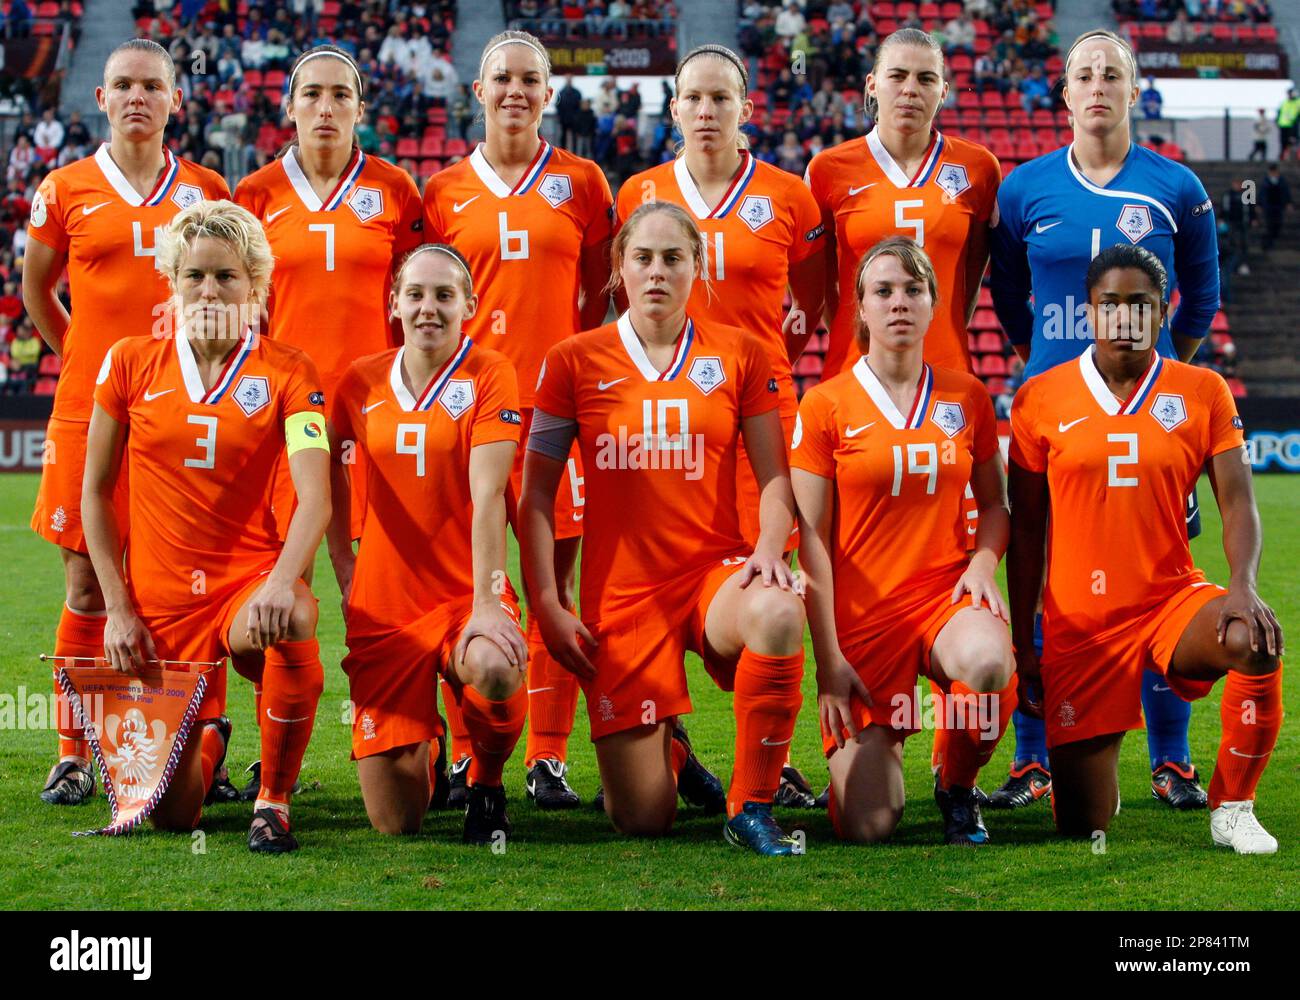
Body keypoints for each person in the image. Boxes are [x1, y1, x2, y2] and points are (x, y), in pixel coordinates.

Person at [521, 201, 807, 855]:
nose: (657, 273)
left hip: (712, 577)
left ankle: (751, 806)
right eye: (642, 258)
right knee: (642, 818)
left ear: (698, 268)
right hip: (621, 600)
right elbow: (536, 498)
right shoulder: (572, 360)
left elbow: (774, 479)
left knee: (779, 611)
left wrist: (768, 549)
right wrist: (546, 602)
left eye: (673, 258)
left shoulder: (741, 354)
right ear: (618, 268)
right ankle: (672, 758)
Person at [989, 29, 1221, 811]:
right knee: (1046, 580)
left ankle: (1173, 759)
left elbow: (1202, 294)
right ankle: (1032, 758)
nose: (1096, 87)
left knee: (1159, 582)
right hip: (1055, 422)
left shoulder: (1177, 187)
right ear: (1064, 94)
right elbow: (1011, 298)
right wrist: (1049, 364)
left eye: (1110, 75)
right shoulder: (1022, 190)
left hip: (1149, 420)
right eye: (1082, 75)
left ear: (1133, 89)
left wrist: (1162, 382)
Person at [1008, 245, 1283, 854]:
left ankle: (1233, 806)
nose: (1125, 317)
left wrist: (1242, 586)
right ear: (1090, 313)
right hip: (1080, 622)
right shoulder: (1039, 397)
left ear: (1163, 314)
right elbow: (1025, 528)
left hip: (1170, 601)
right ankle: (1087, 771)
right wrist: (1026, 636)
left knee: (1253, 638)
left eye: (1141, 305)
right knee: (1085, 824)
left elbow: (1237, 501)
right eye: (1111, 304)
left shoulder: (1203, 390)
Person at [81, 199, 330, 853]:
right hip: (157, 611)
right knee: (173, 816)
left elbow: (314, 495)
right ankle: (211, 736)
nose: (210, 290)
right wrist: (117, 608)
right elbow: (95, 494)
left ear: (255, 283)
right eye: (194, 275)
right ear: (172, 280)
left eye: (226, 276)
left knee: (296, 616)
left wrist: (281, 583)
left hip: (244, 590)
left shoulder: (290, 371)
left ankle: (273, 799)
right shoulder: (128, 362)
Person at [615, 43, 826, 807]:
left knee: (762, 587)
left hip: (757, 423)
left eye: (721, 99)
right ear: (673, 110)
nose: (707, 112)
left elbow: (809, 302)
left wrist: (759, 376)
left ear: (746, 108)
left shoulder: (789, 197)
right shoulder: (638, 192)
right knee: (657, 587)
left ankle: (760, 769)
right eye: (693, 99)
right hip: (661, 428)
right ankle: (669, 748)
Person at [22, 38, 230, 808]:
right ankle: (73, 753)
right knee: (84, 586)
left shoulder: (207, 190)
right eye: (123, 86)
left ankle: (205, 740)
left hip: (182, 416)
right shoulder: (64, 187)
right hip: (87, 413)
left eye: (152, 85)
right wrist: (85, 360)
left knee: (189, 582)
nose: (137, 96)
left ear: (176, 99)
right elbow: (37, 291)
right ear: (100, 100)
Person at [423, 30, 613, 811]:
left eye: (530, 79)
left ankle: (547, 756)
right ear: (477, 91)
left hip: (551, 419)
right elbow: (420, 307)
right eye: (501, 78)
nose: (515, 90)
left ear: (547, 93)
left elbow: (601, 294)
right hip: (463, 419)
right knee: (464, 580)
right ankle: (469, 751)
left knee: (552, 588)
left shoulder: (585, 182)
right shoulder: (438, 193)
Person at [232, 43, 423, 796]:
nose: (325, 107)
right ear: (289, 105)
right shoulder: (255, 193)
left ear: (360, 107)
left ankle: (401, 742)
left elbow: (425, 302)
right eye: (311, 93)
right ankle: (270, 755)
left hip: (376, 423)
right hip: (287, 425)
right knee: (281, 587)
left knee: (377, 592)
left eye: (340, 94)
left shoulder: (397, 189)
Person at [792, 237, 1014, 845]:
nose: (899, 303)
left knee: (989, 664)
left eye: (913, 290)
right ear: (859, 308)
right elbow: (809, 540)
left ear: (935, 303)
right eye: (883, 291)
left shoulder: (967, 396)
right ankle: (872, 746)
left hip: (945, 597)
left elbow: (996, 504)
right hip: (863, 620)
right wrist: (829, 663)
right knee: (868, 825)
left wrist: (984, 564)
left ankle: (957, 784)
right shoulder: (824, 404)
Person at [328, 245, 529, 843]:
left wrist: (488, 604)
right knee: (397, 824)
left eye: (444, 296)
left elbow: (490, 494)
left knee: (494, 666)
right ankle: (429, 740)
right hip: (385, 608)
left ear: (469, 304)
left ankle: (486, 784)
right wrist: (346, 572)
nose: (428, 309)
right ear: (394, 303)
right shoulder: (359, 381)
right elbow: (326, 472)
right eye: (415, 295)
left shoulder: (491, 373)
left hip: (463, 597)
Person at [807, 28, 1001, 380]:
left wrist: (945, 325)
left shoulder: (979, 168)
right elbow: (817, 281)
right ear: (871, 84)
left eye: (926, 79)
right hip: (854, 368)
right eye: (897, 75)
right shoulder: (827, 169)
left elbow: (972, 272)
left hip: (946, 367)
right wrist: (856, 328)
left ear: (943, 91)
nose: (910, 89)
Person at [1259, 162, 1291, 251]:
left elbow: (1286, 192)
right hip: (1268, 207)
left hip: (1278, 206)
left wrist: (1288, 202)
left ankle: (1271, 241)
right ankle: (1268, 244)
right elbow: (1262, 194)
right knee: (1269, 225)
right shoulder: (1265, 181)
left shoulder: (1282, 181)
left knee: (1277, 224)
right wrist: (1260, 204)